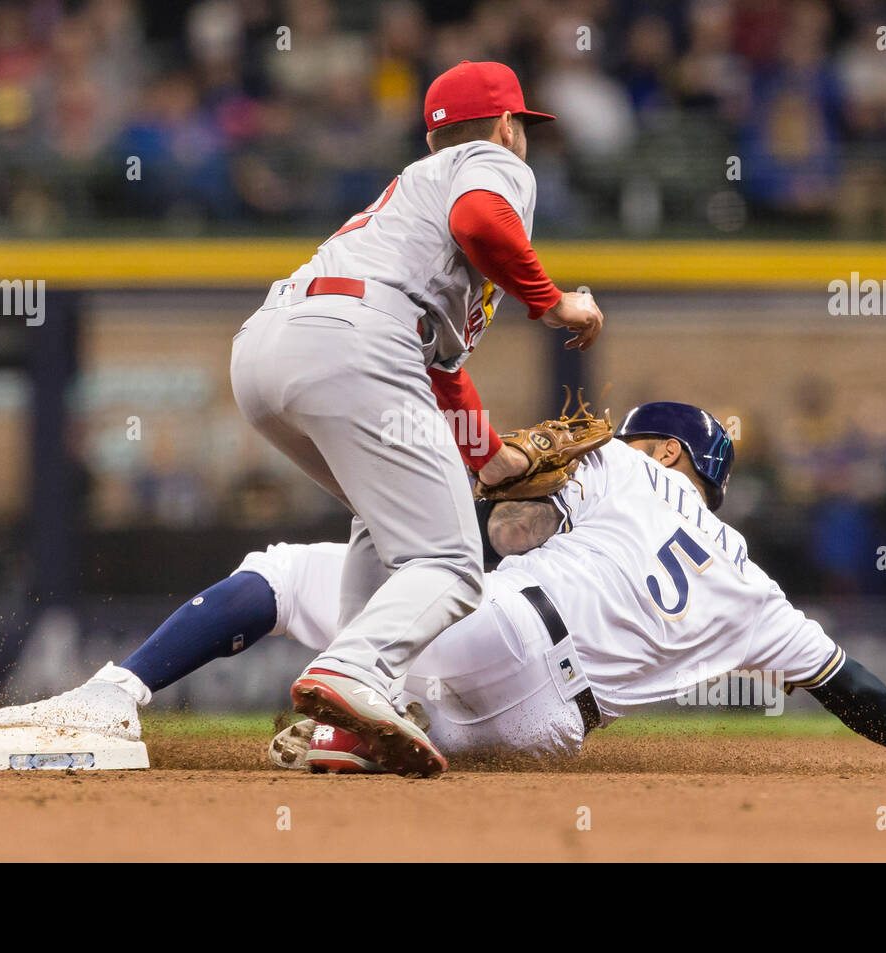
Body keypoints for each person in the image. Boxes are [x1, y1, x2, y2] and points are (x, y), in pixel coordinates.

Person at [0, 402, 886, 774]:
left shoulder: (621, 463)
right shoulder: (751, 583)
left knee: (280, 575)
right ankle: (358, 738)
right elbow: (845, 680)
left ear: (663, 447)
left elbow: (500, 481)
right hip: (548, 728)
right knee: (415, 690)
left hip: (499, 630)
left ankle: (110, 697)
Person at [225, 60, 603, 775]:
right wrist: (556, 302)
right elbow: (480, 218)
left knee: (386, 522)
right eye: (521, 125)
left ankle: (349, 725)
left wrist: (490, 460)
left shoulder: (413, 195)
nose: (520, 138)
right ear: (504, 125)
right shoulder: (491, 165)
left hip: (268, 352)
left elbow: (439, 372)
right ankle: (354, 671)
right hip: (354, 341)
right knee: (451, 563)